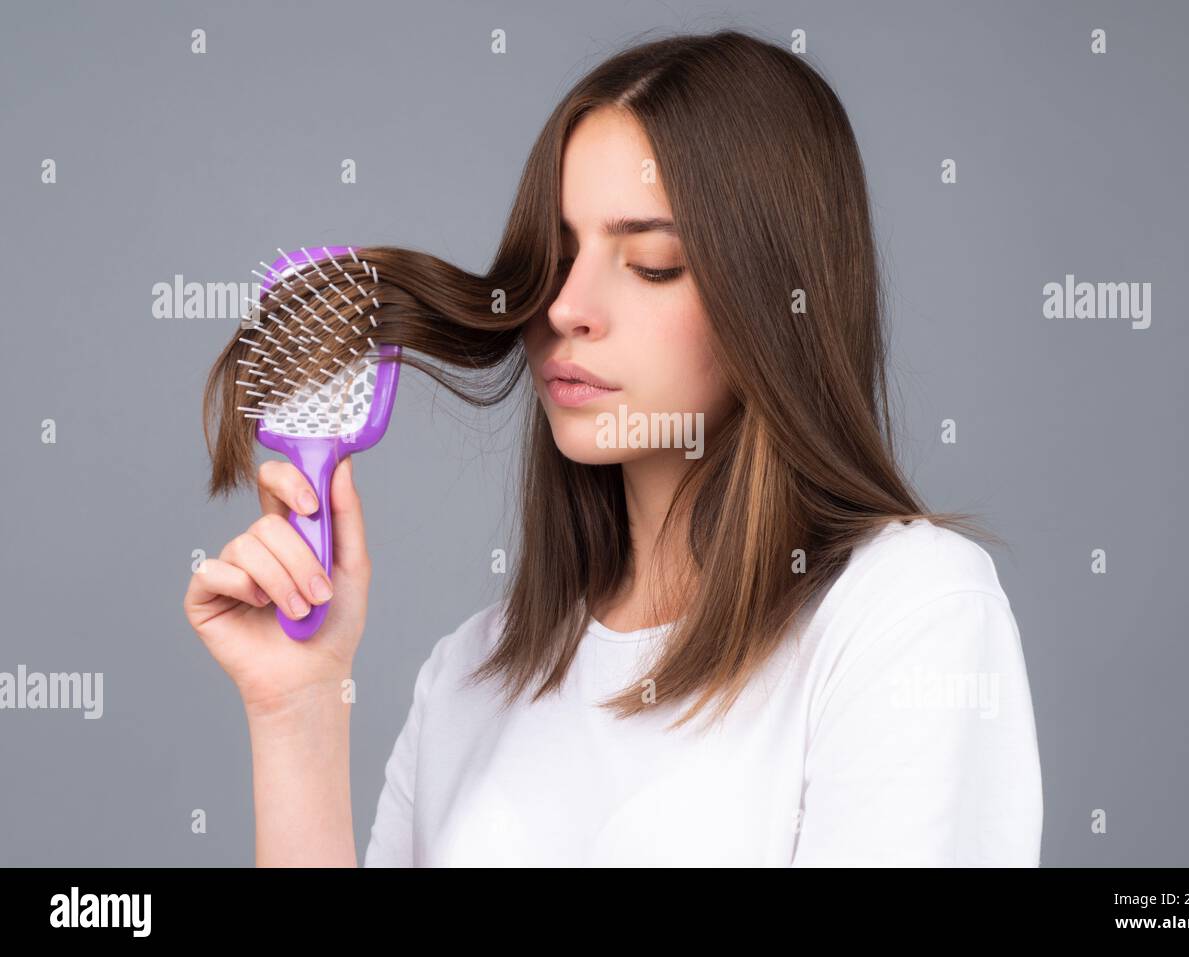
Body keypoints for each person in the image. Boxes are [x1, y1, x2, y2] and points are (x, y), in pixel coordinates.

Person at [183, 29, 1042, 867]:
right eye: (554, 258)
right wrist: (298, 711)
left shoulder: (906, 612)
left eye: (654, 261)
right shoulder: (470, 674)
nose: (567, 306)